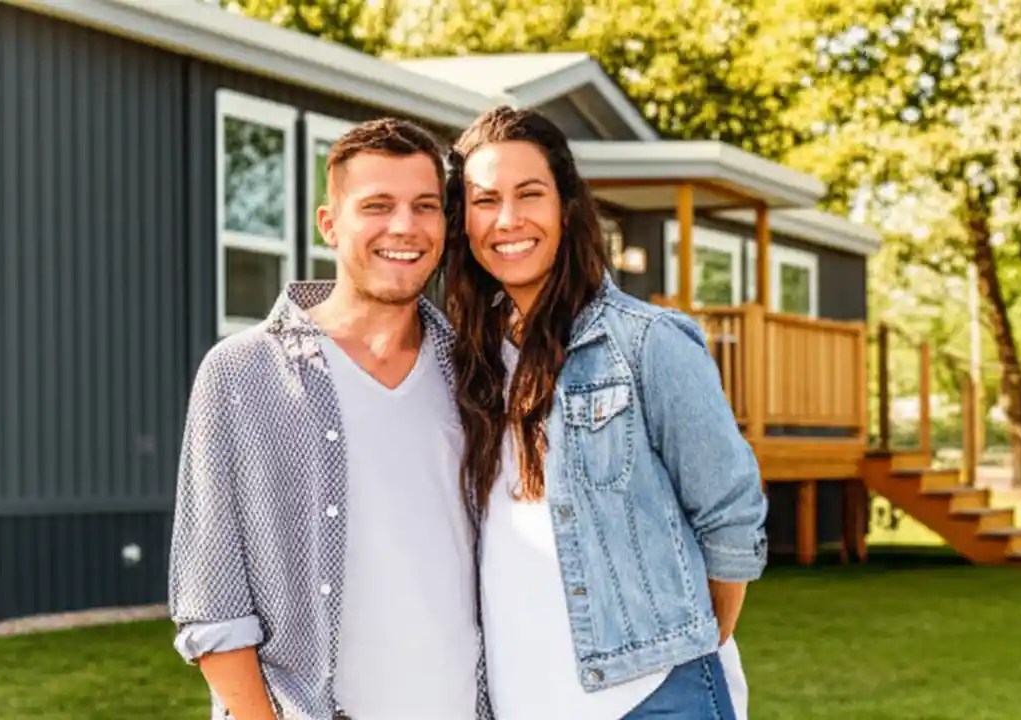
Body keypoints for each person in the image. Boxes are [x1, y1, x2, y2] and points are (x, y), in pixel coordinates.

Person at [443, 106, 769, 720]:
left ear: (566, 205)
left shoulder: (646, 342)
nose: (508, 220)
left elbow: (730, 515)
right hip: (523, 700)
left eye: (529, 194)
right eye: (485, 200)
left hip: (651, 697)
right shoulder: (465, 361)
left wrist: (685, 645)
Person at [168, 118, 489, 720]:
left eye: (425, 206)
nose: (404, 226)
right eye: (377, 205)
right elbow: (211, 602)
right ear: (329, 224)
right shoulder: (241, 374)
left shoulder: (474, 373)